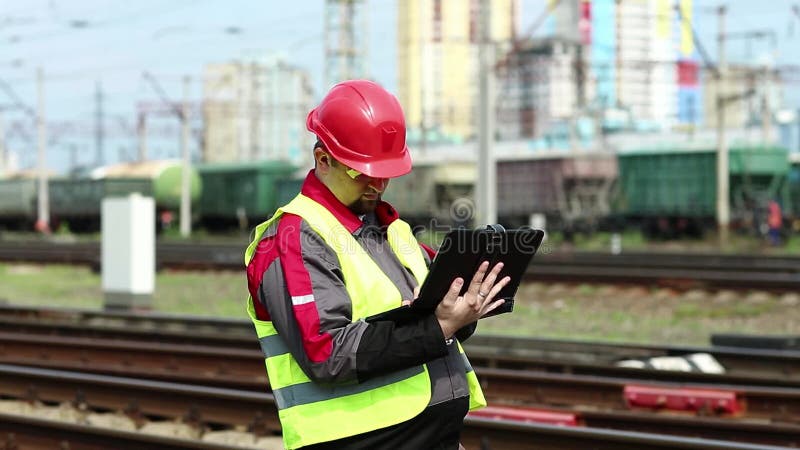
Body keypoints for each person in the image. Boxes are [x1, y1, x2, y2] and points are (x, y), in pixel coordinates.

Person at [244, 79, 509, 450]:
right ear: (323, 160)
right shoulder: (294, 239)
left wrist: (462, 311)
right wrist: (438, 326)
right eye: (362, 172)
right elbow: (327, 353)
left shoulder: (391, 230)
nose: (378, 184)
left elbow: (433, 326)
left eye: (386, 172)